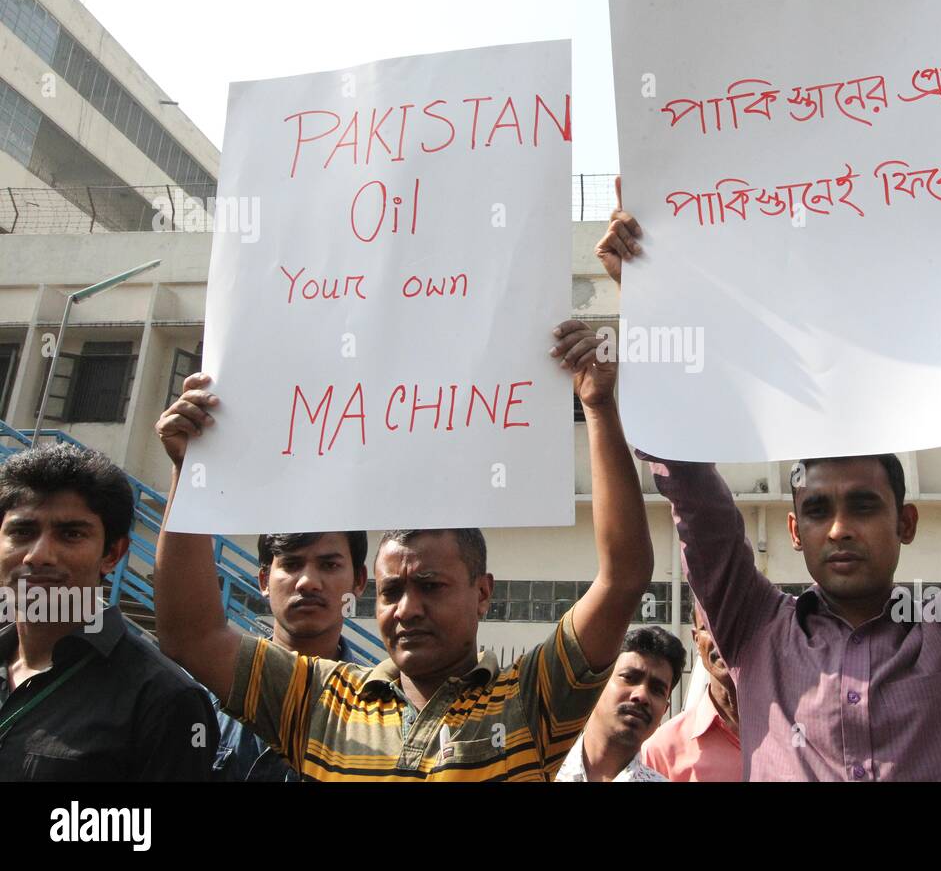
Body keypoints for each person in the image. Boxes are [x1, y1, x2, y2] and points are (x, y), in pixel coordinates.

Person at [597, 151, 941, 780]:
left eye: (864, 505)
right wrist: (647, 293)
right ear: (794, 532)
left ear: (905, 521)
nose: (840, 528)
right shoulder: (752, 628)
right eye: (818, 510)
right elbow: (696, 500)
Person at [152, 319, 655, 781]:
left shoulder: (530, 700)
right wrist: (186, 472)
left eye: (431, 587)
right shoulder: (322, 698)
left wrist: (597, 406)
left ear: (483, 593)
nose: (407, 610)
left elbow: (623, 577)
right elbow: (190, 636)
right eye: (392, 591)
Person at [0, 443, 216, 780]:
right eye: (22, 532)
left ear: (112, 554)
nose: (38, 555)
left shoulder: (164, 699)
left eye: (70, 534)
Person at [211, 531, 368, 781]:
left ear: (359, 581)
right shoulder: (208, 695)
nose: (307, 582)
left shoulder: (382, 707)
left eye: (329, 565)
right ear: (264, 580)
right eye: (291, 564)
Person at [555, 625, 684, 782]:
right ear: (597, 685)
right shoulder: (536, 770)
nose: (641, 695)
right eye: (630, 677)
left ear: (665, 710)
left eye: (657, 690)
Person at [642, 604, 741, 781]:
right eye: (709, 627)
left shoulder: (795, 732)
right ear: (696, 640)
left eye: (735, 625)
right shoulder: (661, 751)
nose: (723, 638)